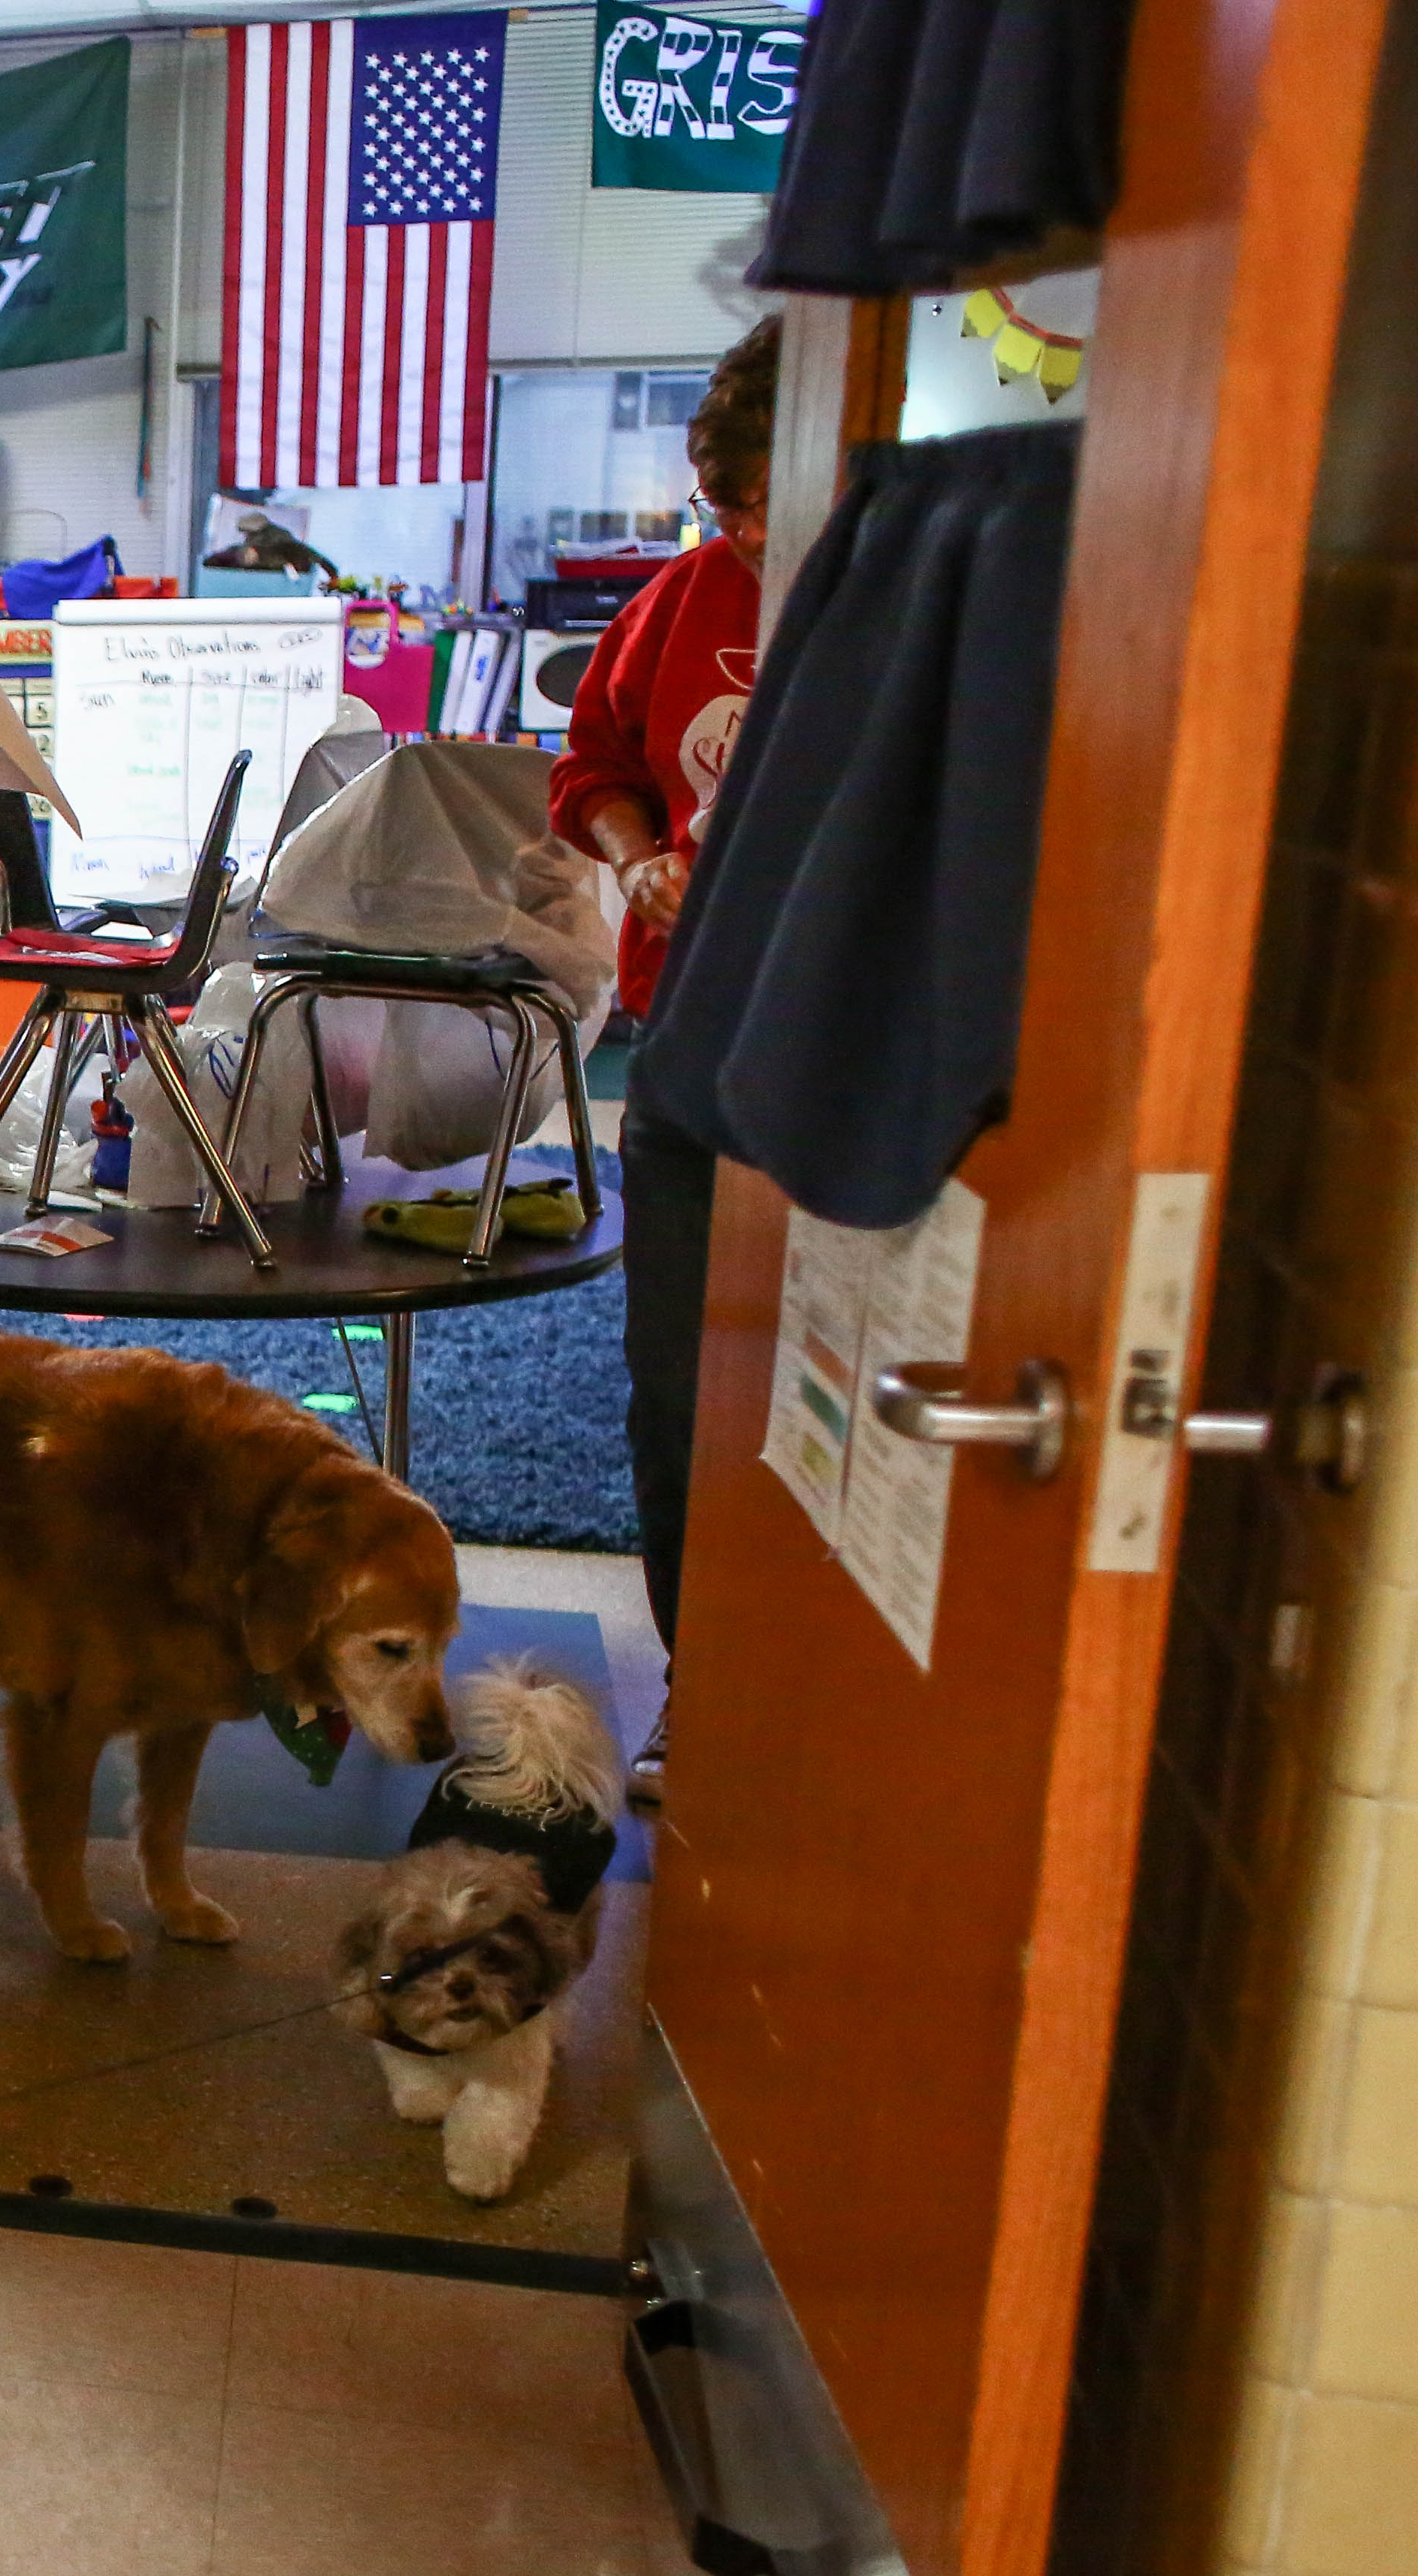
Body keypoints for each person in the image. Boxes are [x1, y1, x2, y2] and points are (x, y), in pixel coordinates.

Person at [550, 315, 779, 1807]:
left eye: (768, 505)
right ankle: (697, 1677)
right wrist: (637, 859)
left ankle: (813, 1675)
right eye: (725, 505)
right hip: (688, 1026)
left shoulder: (905, 605)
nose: (745, 533)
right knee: (676, 1375)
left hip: (834, 1034)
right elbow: (598, 767)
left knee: (814, 1387)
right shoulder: (685, 599)